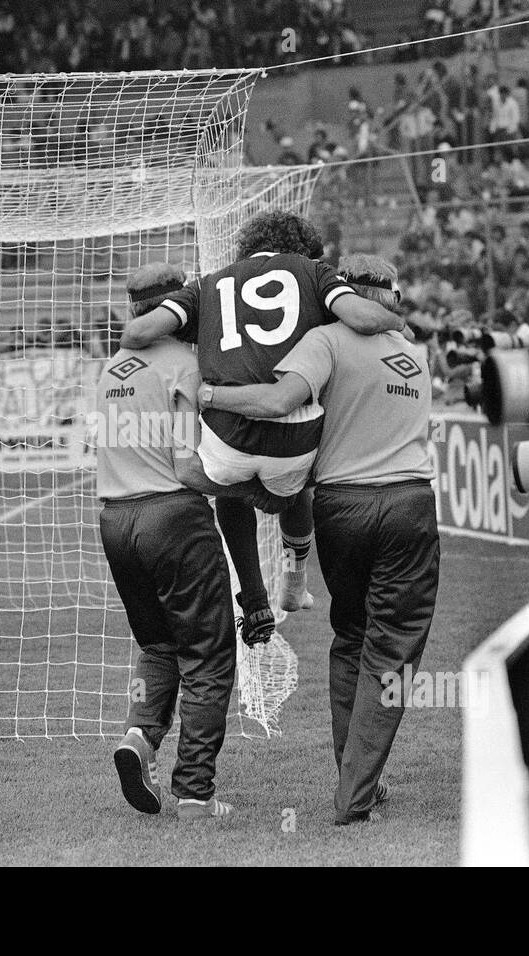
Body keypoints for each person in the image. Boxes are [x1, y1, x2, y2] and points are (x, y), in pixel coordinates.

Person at [197, 254, 439, 825]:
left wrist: (211, 397)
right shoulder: (415, 355)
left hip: (341, 509)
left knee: (351, 638)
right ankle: (356, 790)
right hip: (408, 503)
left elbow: (279, 403)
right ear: (392, 298)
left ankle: (356, 780)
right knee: (395, 645)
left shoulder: (324, 342)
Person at [119, 212, 404, 644]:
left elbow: (137, 333)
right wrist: (399, 322)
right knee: (300, 475)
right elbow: (363, 318)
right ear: (304, 248)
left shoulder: (210, 282)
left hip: (225, 441)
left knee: (229, 481)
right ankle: (294, 579)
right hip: (296, 445)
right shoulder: (312, 271)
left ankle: (253, 599)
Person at [99, 262, 286, 823]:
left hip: (115, 522)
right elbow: (186, 466)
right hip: (172, 519)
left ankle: (139, 737)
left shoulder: (113, 368)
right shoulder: (184, 365)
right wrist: (249, 487)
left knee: (158, 648)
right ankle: (195, 795)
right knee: (207, 659)